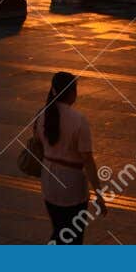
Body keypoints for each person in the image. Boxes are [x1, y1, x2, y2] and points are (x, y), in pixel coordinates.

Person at [29, 72, 104, 244]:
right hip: (72, 187)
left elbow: (38, 143)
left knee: (59, 229)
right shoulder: (79, 120)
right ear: (71, 93)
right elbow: (88, 160)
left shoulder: (42, 115)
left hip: (49, 182)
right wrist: (99, 194)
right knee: (73, 238)